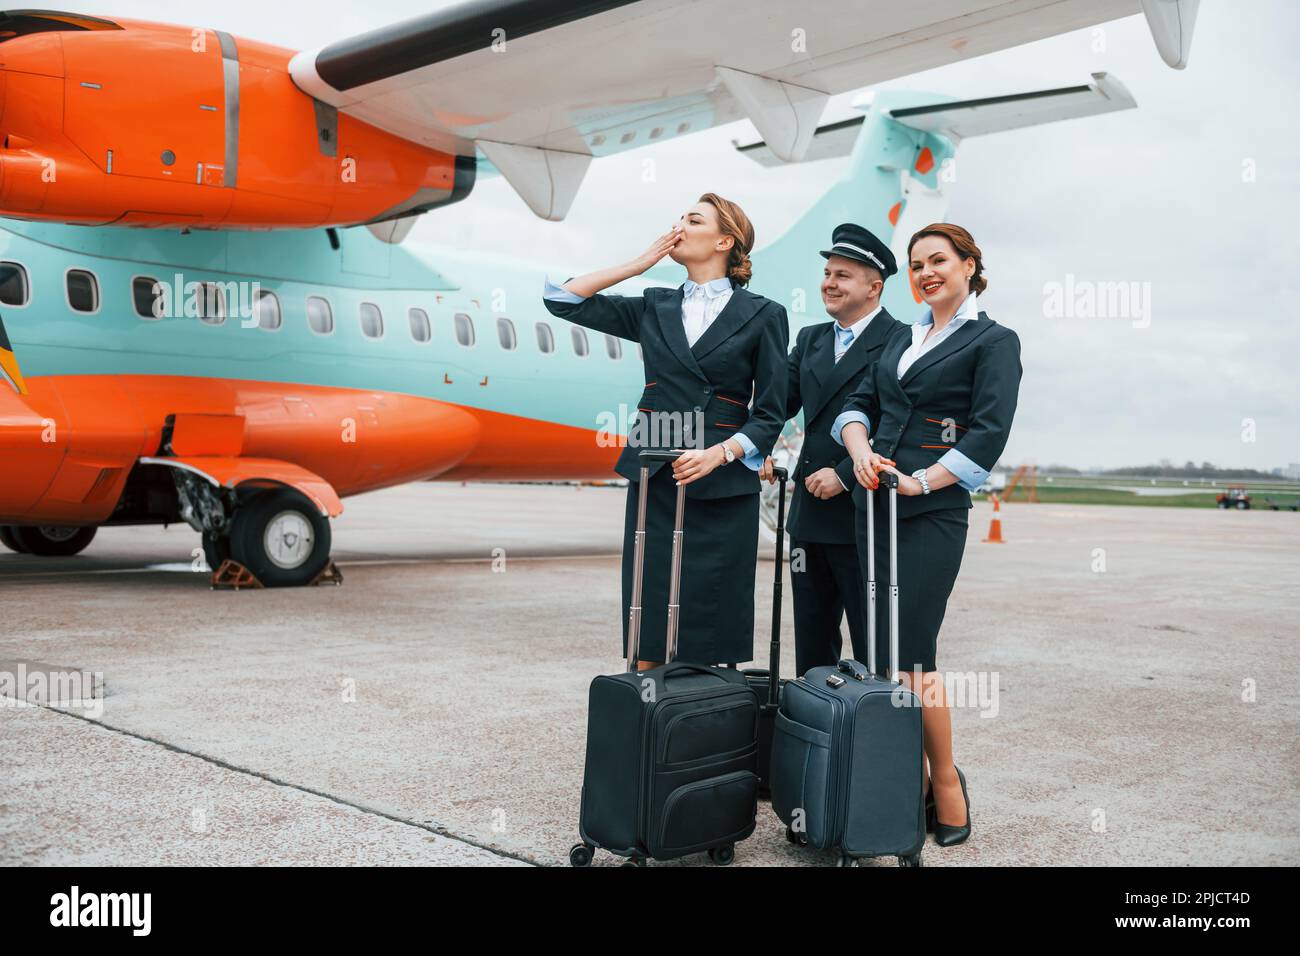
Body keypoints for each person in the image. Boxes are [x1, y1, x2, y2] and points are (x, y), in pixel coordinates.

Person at [833, 222, 1021, 847]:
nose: (925, 272)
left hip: (930, 511)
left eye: (938, 260)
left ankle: (944, 781)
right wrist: (860, 452)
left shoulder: (994, 341)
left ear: (970, 265)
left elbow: (988, 433)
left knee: (913, 652)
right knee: (879, 654)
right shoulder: (900, 340)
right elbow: (857, 405)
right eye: (916, 264)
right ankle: (901, 779)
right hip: (872, 504)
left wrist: (923, 482)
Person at [541, 193, 789, 668]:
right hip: (655, 469)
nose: (678, 226)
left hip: (723, 481)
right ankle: (650, 724)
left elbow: (772, 411)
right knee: (649, 611)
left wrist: (720, 453)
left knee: (712, 615)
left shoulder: (765, 314)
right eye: (679, 218)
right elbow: (561, 299)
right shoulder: (654, 305)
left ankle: (707, 724)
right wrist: (639, 264)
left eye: (692, 220)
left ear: (724, 240)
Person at [759, 223, 907, 676]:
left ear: (874, 286)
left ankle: (868, 735)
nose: (829, 282)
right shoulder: (810, 340)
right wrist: (755, 447)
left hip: (865, 514)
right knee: (812, 640)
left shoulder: (901, 341)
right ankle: (817, 734)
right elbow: (776, 404)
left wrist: (844, 474)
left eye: (843, 275)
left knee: (872, 644)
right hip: (810, 516)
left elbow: (896, 424)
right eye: (827, 273)